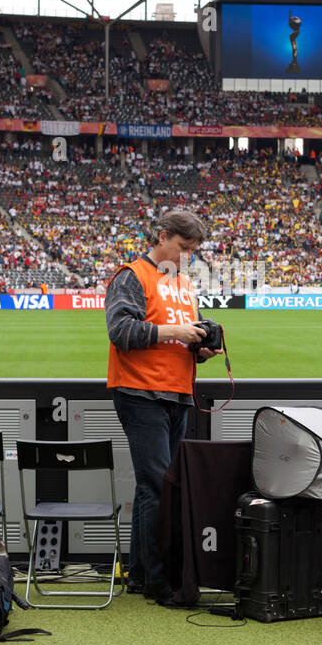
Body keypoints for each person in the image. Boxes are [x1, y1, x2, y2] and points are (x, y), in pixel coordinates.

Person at [106, 210, 222, 603]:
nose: (187, 256)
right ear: (162, 237)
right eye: (183, 247)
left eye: (192, 251)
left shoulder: (183, 284)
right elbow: (121, 332)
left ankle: (140, 574)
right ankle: (159, 582)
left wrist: (202, 346)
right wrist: (176, 331)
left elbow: (181, 339)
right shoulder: (131, 275)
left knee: (154, 488)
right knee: (157, 486)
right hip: (141, 392)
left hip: (177, 391)